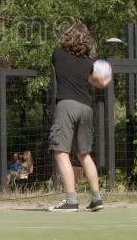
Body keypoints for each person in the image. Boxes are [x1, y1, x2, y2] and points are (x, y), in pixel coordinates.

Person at [48, 23, 111, 212]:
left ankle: (71, 200)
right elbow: (98, 83)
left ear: (68, 36)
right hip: (85, 108)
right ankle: (96, 198)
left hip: (66, 105)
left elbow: (57, 73)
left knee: (61, 151)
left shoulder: (57, 54)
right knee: (84, 153)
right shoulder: (89, 63)